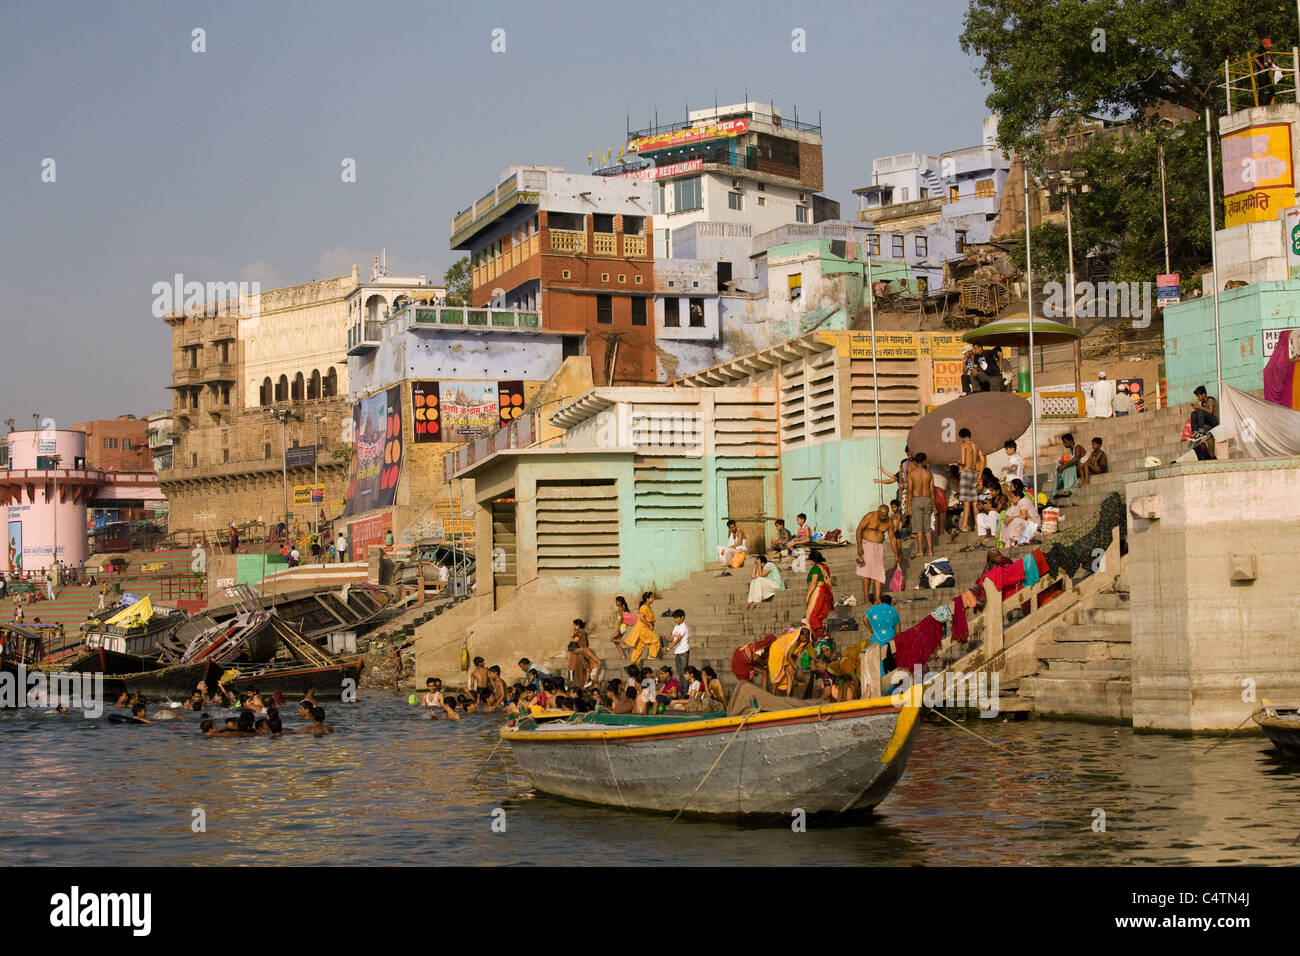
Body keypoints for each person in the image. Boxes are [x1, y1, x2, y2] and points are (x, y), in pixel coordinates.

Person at [855, 504, 901, 606]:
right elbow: (859, 529)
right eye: (881, 516)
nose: (883, 518)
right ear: (878, 512)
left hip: (879, 547)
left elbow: (892, 538)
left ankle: (877, 599)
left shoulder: (889, 521)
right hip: (866, 545)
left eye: (885, 516)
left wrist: (896, 554)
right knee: (866, 573)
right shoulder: (870, 516)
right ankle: (866, 599)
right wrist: (859, 546)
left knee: (879, 573)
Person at [955, 428, 986, 534]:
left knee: (966, 501)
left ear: (962, 437)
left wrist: (959, 463)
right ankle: (977, 525)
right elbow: (982, 459)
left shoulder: (964, 445)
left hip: (966, 473)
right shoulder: (976, 445)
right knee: (974, 501)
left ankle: (964, 525)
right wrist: (980, 474)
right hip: (974, 473)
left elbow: (963, 461)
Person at [906, 452, 935, 557]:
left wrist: (908, 506)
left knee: (918, 528)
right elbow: (932, 491)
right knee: (927, 527)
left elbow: (909, 490)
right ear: (924, 461)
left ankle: (920, 551)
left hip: (916, 500)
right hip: (927, 499)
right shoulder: (929, 474)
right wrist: (934, 505)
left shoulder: (912, 474)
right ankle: (930, 551)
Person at [804, 549, 834, 639]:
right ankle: (820, 634)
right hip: (824, 592)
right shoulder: (825, 567)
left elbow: (814, 583)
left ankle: (820, 635)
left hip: (818, 592)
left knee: (813, 615)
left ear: (813, 560)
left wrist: (809, 594)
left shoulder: (816, 568)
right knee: (820, 614)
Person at [625, 591, 660, 665]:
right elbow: (641, 618)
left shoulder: (647, 607)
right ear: (647, 599)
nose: (653, 599)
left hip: (642, 630)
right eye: (652, 597)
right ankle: (651, 656)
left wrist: (651, 625)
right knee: (655, 639)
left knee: (638, 648)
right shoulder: (644, 607)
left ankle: (633, 665)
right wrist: (649, 624)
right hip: (643, 629)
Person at [1190, 385, 1219, 460]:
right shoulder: (1203, 403)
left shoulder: (1210, 400)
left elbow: (1210, 411)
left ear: (1204, 394)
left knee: (1201, 412)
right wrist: (1197, 409)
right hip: (1207, 421)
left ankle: (1201, 432)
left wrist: (1200, 408)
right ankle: (1195, 432)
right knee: (1194, 414)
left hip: (1214, 421)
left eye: (1199, 396)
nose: (1198, 398)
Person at [1051, 433, 1082, 499]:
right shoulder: (1070, 450)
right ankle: (1055, 493)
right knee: (1059, 469)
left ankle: (1067, 490)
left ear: (1070, 440)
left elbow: (1076, 459)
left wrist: (1064, 466)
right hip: (1075, 467)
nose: (1064, 444)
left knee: (1065, 468)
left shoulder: (1078, 447)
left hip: (1081, 467)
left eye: (1065, 442)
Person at [665, 608, 690, 684]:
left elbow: (678, 639)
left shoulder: (683, 627)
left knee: (684, 674)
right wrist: (664, 637)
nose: (675, 620)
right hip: (677, 652)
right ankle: (682, 690)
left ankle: (685, 693)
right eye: (674, 618)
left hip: (683, 652)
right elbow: (671, 638)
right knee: (680, 673)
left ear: (682, 617)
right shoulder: (676, 627)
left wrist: (669, 648)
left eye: (677, 618)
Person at [609, 595, 636, 659]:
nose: (616, 603)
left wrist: (618, 628)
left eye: (616, 601)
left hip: (622, 627)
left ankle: (625, 642)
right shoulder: (623, 608)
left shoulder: (620, 608)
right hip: (624, 627)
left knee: (611, 639)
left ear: (620, 602)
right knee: (616, 642)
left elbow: (621, 619)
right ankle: (622, 656)